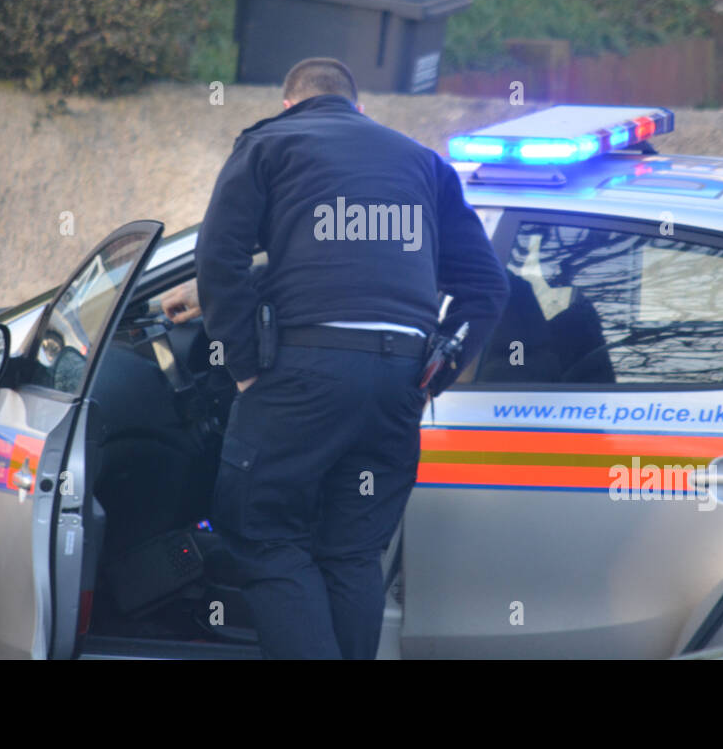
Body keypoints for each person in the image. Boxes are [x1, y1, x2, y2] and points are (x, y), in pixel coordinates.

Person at [190, 56, 509, 659]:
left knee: (266, 538)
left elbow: (217, 258)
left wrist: (244, 366)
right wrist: (433, 377)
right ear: (361, 109)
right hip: (396, 384)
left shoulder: (269, 143)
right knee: (352, 551)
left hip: (303, 378)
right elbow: (488, 288)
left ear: (289, 104)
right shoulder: (423, 162)